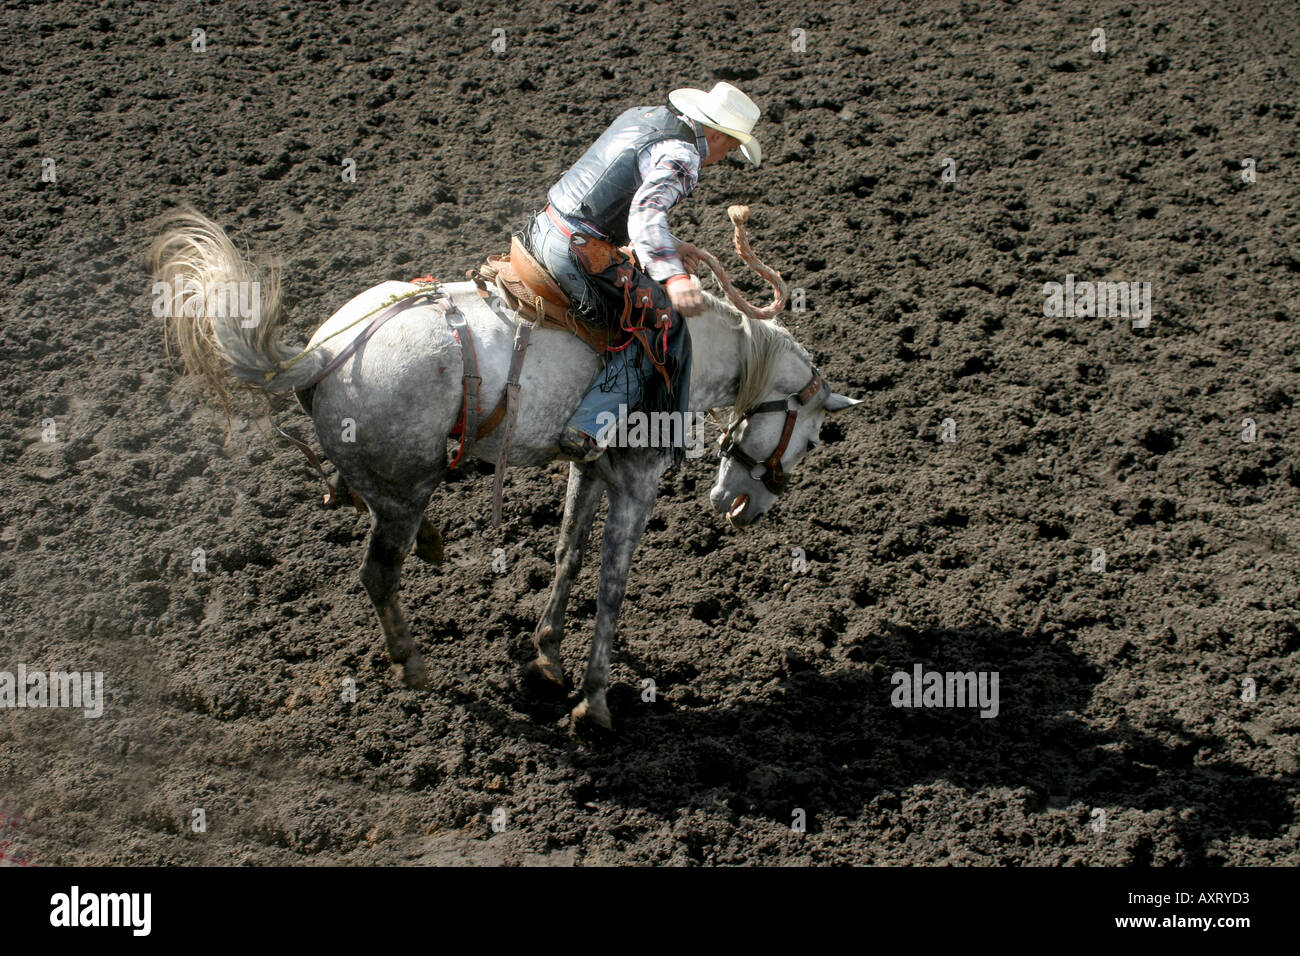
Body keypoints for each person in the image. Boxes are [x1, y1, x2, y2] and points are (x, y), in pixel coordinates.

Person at [520, 81, 762, 466]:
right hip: (578, 250)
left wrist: (674, 243)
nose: (726, 156)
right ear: (716, 135)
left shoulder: (646, 117)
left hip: (546, 226)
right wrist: (674, 277)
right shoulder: (683, 156)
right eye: (731, 148)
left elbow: (616, 191)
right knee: (666, 323)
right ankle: (587, 428)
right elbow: (645, 215)